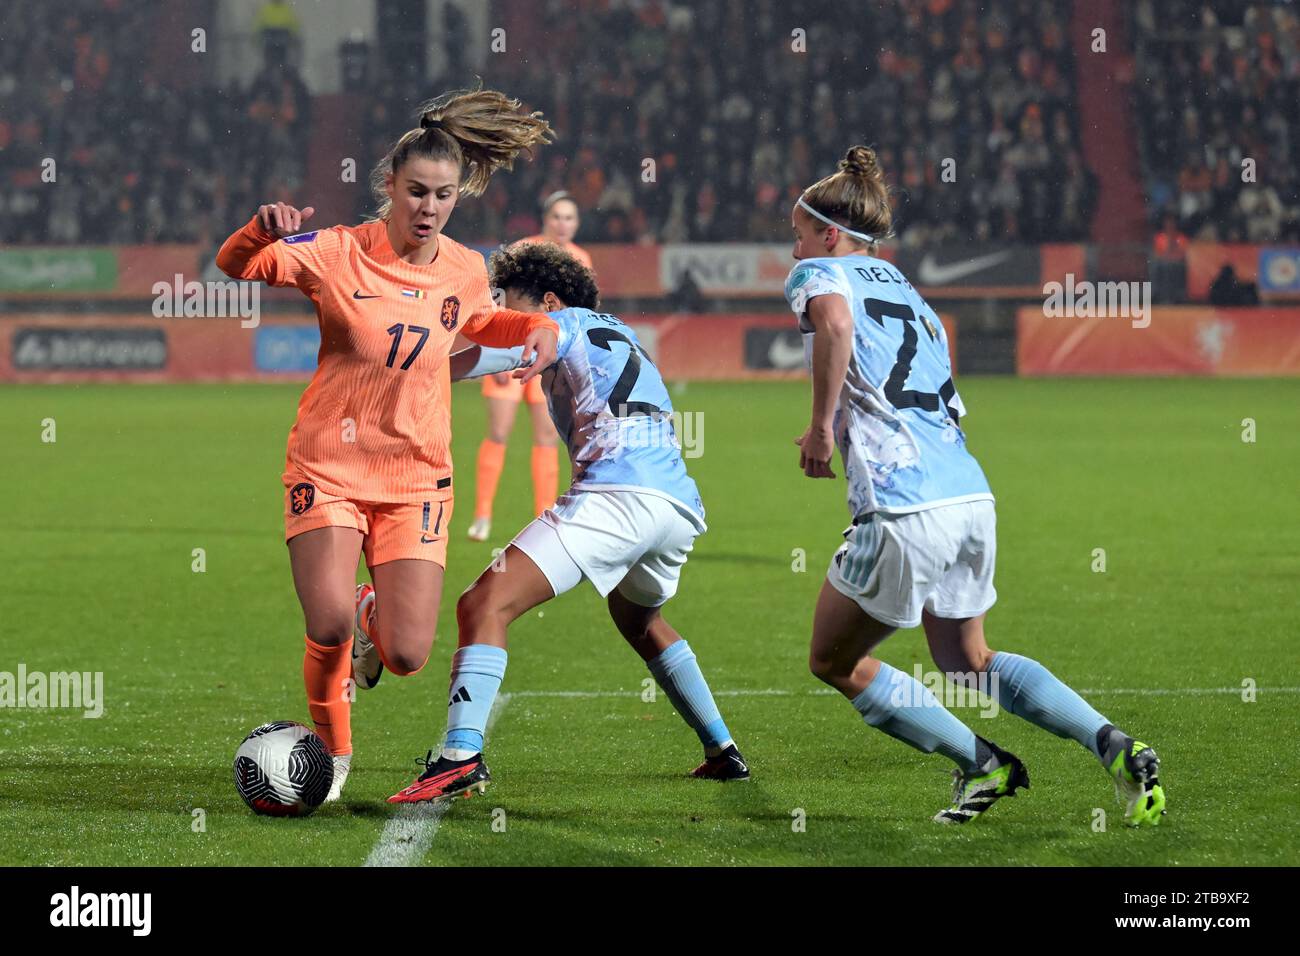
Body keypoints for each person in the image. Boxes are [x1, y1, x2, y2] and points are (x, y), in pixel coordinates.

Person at [786, 145, 1166, 826]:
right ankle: (1114, 744)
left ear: (831, 235)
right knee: (967, 656)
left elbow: (835, 324)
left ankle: (981, 763)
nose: (794, 251)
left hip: (904, 504)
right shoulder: (911, 293)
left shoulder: (822, 274)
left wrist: (819, 427)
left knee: (831, 659)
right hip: (968, 492)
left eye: (799, 235)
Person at [215, 88, 560, 802]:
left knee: (406, 654)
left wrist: (536, 330)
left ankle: (377, 616)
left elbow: (483, 320)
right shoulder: (338, 253)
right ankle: (333, 754)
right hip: (330, 465)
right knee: (328, 619)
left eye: (442, 195)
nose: (428, 208)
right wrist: (259, 229)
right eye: (415, 193)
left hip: (416, 476)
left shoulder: (464, 266)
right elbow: (236, 266)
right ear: (389, 189)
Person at [388, 241, 748, 803]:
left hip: (617, 496)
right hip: (676, 506)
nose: (505, 320)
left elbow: (529, 340)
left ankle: (459, 757)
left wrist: (423, 360)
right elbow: (487, 357)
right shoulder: (615, 330)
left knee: (481, 605)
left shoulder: (560, 324)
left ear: (549, 301)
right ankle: (722, 749)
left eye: (513, 306)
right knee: (639, 618)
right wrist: (424, 366)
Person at [466, 192, 592, 542]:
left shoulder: (582, 260)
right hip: (511, 355)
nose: (562, 224)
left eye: (569, 218)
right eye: (557, 217)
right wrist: (497, 354)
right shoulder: (524, 251)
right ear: (545, 219)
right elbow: (496, 302)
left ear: (577, 224)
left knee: (546, 439)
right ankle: (482, 516)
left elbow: (580, 317)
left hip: (550, 363)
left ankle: (544, 518)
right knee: (499, 433)